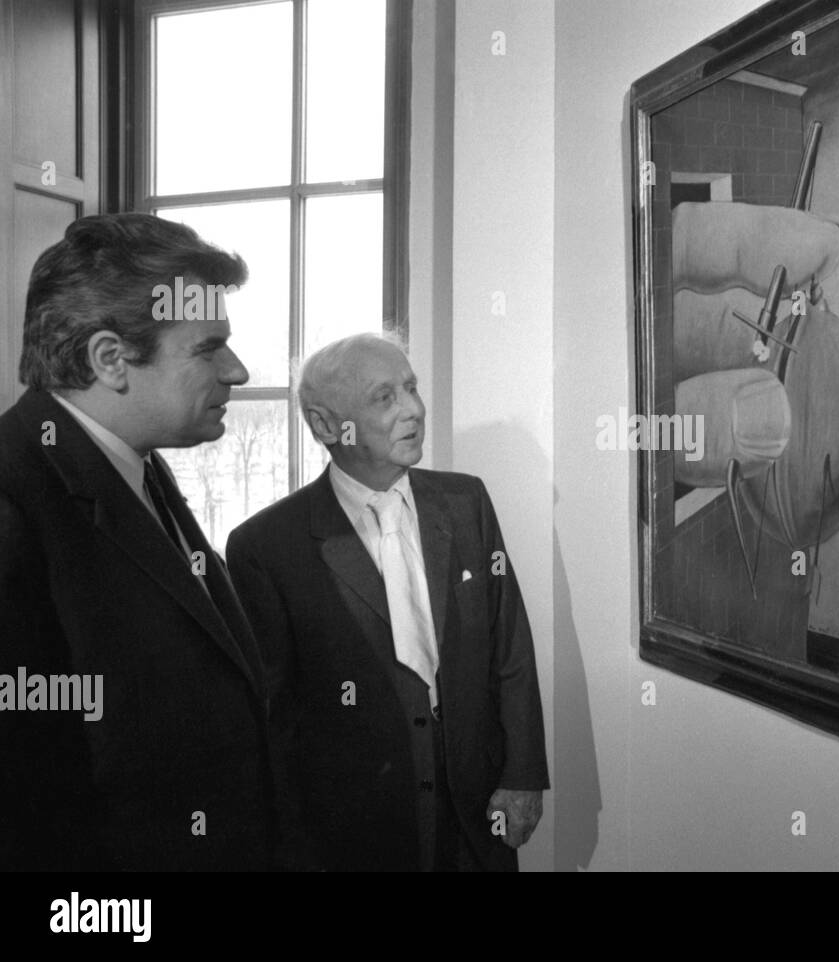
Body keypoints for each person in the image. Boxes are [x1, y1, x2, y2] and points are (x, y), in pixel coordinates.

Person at [0, 212, 277, 870]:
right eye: (208, 347)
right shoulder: (13, 500)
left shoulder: (138, 468)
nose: (236, 371)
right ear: (109, 359)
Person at [226, 333, 548, 872]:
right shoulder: (267, 546)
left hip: (477, 810)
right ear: (327, 426)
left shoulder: (466, 502)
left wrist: (523, 776)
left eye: (411, 388)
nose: (414, 409)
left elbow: (510, 648)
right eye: (384, 397)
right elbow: (273, 715)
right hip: (355, 831)